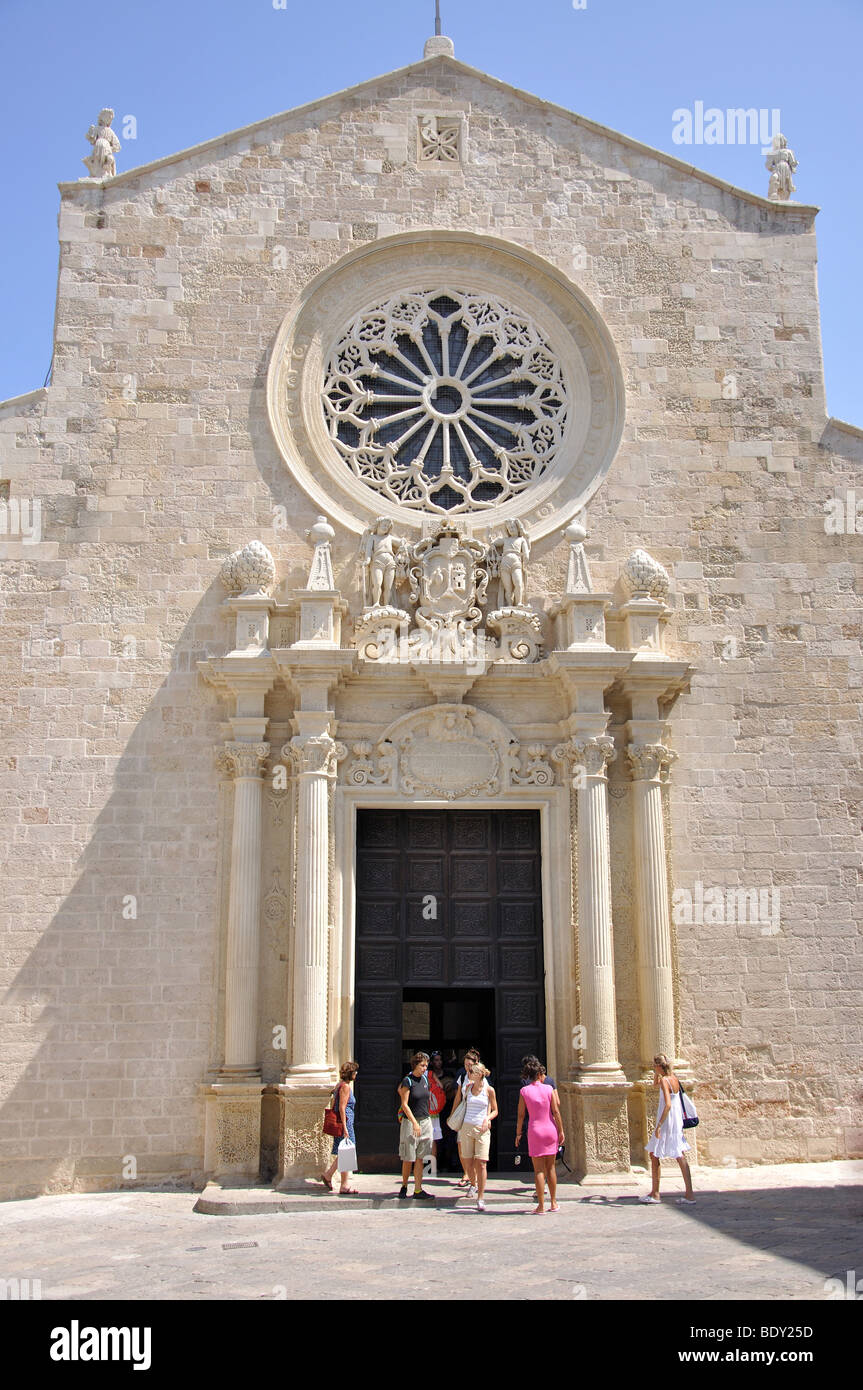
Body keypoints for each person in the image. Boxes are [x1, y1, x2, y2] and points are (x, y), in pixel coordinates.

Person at [639, 1053, 695, 1205]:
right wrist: (656, 1074)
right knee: (679, 1154)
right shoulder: (674, 1079)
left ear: (658, 1066)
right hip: (676, 1121)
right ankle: (689, 1193)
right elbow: (654, 1085)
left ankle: (655, 1193)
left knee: (654, 1154)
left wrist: (658, 1125)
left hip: (667, 1121)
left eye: (654, 1066)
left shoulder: (665, 1080)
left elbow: (668, 1104)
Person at [516, 1056, 564, 1214]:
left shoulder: (525, 1091)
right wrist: (561, 1130)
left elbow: (521, 1115)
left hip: (535, 1130)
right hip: (550, 1129)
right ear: (539, 1074)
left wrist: (518, 1134)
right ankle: (554, 1202)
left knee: (538, 1171)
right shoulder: (549, 1089)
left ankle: (541, 1206)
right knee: (551, 1168)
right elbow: (556, 1111)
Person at [457, 1061, 498, 1211]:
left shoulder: (489, 1090)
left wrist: (488, 1118)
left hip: (482, 1129)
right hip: (467, 1127)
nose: (469, 1074)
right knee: (468, 1162)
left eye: (472, 1072)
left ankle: (481, 1197)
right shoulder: (467, 1088)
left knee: (481, 1163)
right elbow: (462, 1104)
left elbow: (495, 1110)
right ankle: (473, 1184)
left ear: (480, 1074)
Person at [397, 1052, 435, 1201]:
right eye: (422, 1065)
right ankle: (404, 1185)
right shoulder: (408, 1081)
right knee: (408, 1157)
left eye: (426, 1065)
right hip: (411, 1123)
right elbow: (404, 1104)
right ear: (415, 1065)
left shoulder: (426, 1079)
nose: (425, 1068)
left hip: (425, 1121)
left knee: (421, 1157)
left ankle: (418, 1189)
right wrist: (414, 1122)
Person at [320, 1061, 359, 1195]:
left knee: (344, 1152)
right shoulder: (346, 1087)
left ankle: (339, 1181)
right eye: (355, 1072)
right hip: (345, 1123)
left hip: (345, 1122)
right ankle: (333, 1177)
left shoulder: (339, 1085)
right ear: (351, 1073)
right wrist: (346, 1128)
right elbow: (342, 1108)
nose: (356, 1074)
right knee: (347, 1151)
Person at [454, 1048, 481, 1189]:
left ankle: (474, 1175)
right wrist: (453, 1114)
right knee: (461, 1144)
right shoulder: (462, 1077)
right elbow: (458, 1096)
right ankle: (466, 1173)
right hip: (464, 1116)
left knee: (476, 1147)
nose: (467, 1068)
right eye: (465, 1065)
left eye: (469, 1065)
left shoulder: (482, 1078)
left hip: (477, 1116)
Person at [427, 1051, 447, 1168]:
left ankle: (424, 1169)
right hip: (433, 1111)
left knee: (423, 1141)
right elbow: (441, 1086)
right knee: (433, 1140)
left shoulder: (413, 1075)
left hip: (421, 1111)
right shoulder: (431, 1074)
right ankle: (431, 1169)